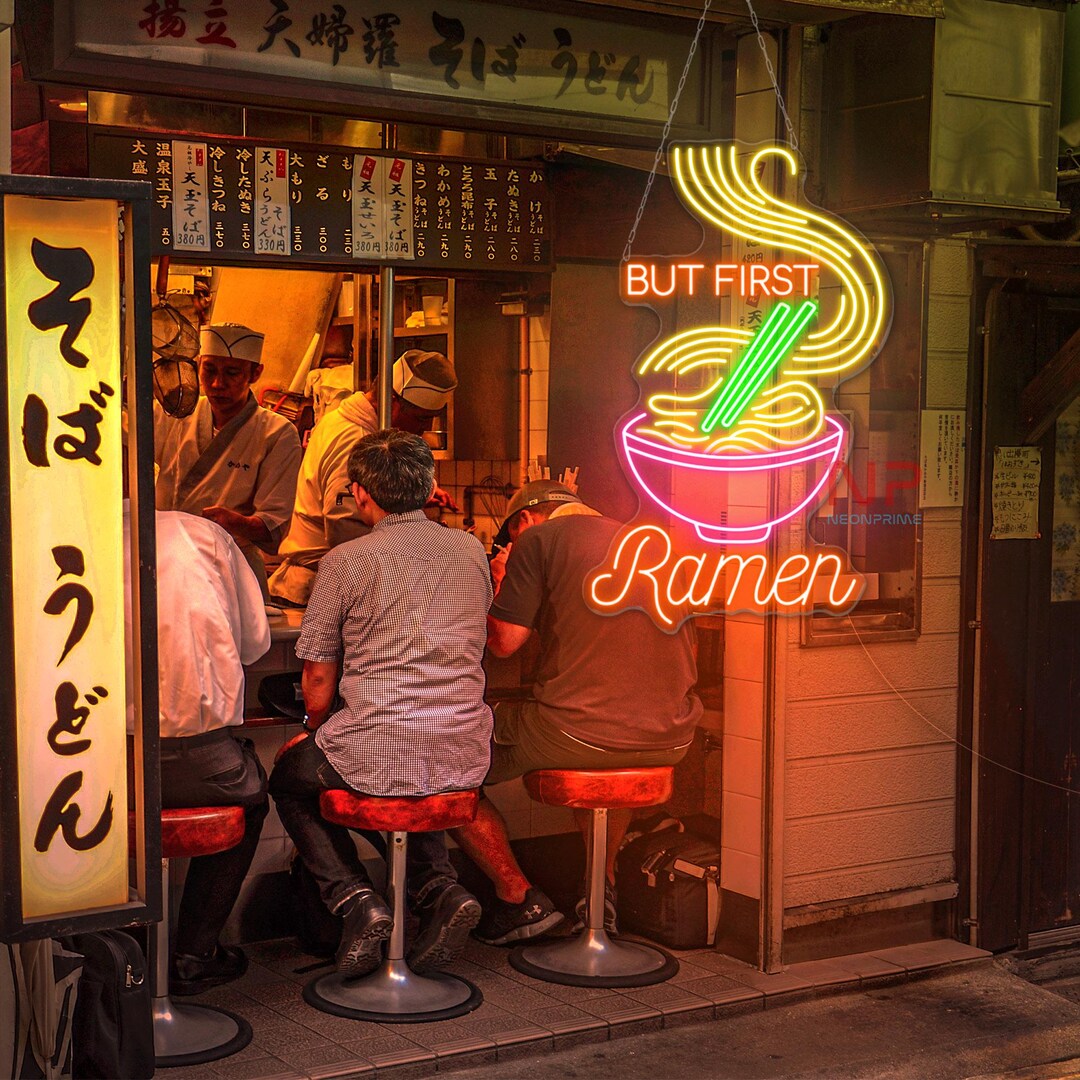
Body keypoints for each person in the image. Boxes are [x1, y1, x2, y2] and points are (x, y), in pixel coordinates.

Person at [269, 429, 492, 976]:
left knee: (290, 779)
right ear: (431, 486)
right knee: (414, 771)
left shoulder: (345, 560)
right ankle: (438, 889)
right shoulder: (470, 549)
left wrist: (311, 728)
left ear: (360, 493)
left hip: (376, 743)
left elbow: (318, 670)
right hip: (462, 748)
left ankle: (355, 901)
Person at [451, 480, 704, 945]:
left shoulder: (538, 542)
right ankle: (599, 892)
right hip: (673, 735)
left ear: (525, 520)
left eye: (510, 536)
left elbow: (504, 644)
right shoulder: (653, 540)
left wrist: (504, 578)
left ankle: (516, 897)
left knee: (441, 760)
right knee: (608, 755)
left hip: (579, 732)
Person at [124, 502, 272, 996]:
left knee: (111, 826)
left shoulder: (59, 539)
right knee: (249, 800)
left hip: (99, 769)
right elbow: (253, 644)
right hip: (202, 758)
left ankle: (122, 954)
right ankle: (192, 954)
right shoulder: (201, 534)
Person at [268, 349, 458, 607]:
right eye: (420, 418)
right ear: (391, 400)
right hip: (316, 592)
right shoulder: (353, 438)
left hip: (337, 586)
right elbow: (345, 524)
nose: (422, 429)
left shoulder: (352, 425)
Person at [155, 322, 302, 594]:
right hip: (168, 561)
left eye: (232, 373)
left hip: (231, 569)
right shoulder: (172, 412)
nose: (216, 384)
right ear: (197, 365)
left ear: (255, 373)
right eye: (209, 370)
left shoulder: (278, 434)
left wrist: (233, 522)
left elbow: (273, 525)